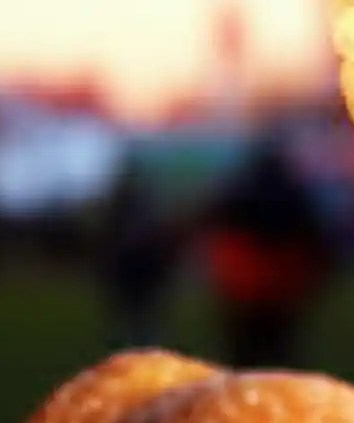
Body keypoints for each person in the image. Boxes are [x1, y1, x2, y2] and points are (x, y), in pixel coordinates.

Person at [199, 129, 331, 368]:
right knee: (278, 342)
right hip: (280, 284)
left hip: (245, 283)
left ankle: (244, 383)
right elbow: (316, 237)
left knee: (242, 344)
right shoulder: (294, 194)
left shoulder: (238, 192)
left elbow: (215, 223)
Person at [100, 159, 176, 349]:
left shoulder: (125, 201)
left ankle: (139, 342)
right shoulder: (139, 202)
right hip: (134, 263)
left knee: (139, 310)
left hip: (139, 263)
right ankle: (137, 342)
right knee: (137, 310)